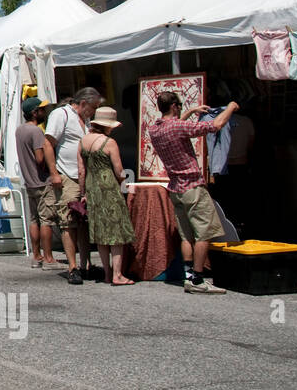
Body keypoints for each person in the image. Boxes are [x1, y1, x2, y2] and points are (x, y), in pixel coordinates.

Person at [148, 92, 239, 294]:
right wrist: (232, 107)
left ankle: (189, 276)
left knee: (186, 236)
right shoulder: (177, 127)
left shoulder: (155, 129)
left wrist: (190, 111)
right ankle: (197, 279)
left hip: (176, 189)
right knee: (204, 234)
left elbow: (174, 126)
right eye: (179, 105)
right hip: (192, 187)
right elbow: (215, 125)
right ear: (174, 106)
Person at [45, 87, 101, 284]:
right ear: (83, 103)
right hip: (68, 174)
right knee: (68, 220)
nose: (94, 111)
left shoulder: (85, 120)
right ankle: (72, 267)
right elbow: (48, 143)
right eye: (94, 107)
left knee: (84, 220)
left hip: (85, 176)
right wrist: (54, 173)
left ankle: (85, 264)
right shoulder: (61, 114)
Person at [78, 107, 135, 285]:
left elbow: (81, 171)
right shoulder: (109, 142)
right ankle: (118, 275)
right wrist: (126, 184)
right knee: (116, 232)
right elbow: (119, 170)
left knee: (100, 233)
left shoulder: (83, 141)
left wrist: (83, 193)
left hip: (92, 188)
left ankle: (107, 274)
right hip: (109, 188)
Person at [16, 98, 57, 268]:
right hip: (41, 181)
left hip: (29, 181)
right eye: (41, 109)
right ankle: (48, 258)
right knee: (46, 219)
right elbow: (40, 158)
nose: (44, 112)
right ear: (34, 112)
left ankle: (36, 255)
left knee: (34, 220)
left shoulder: (19, 130)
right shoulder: (36, 131)